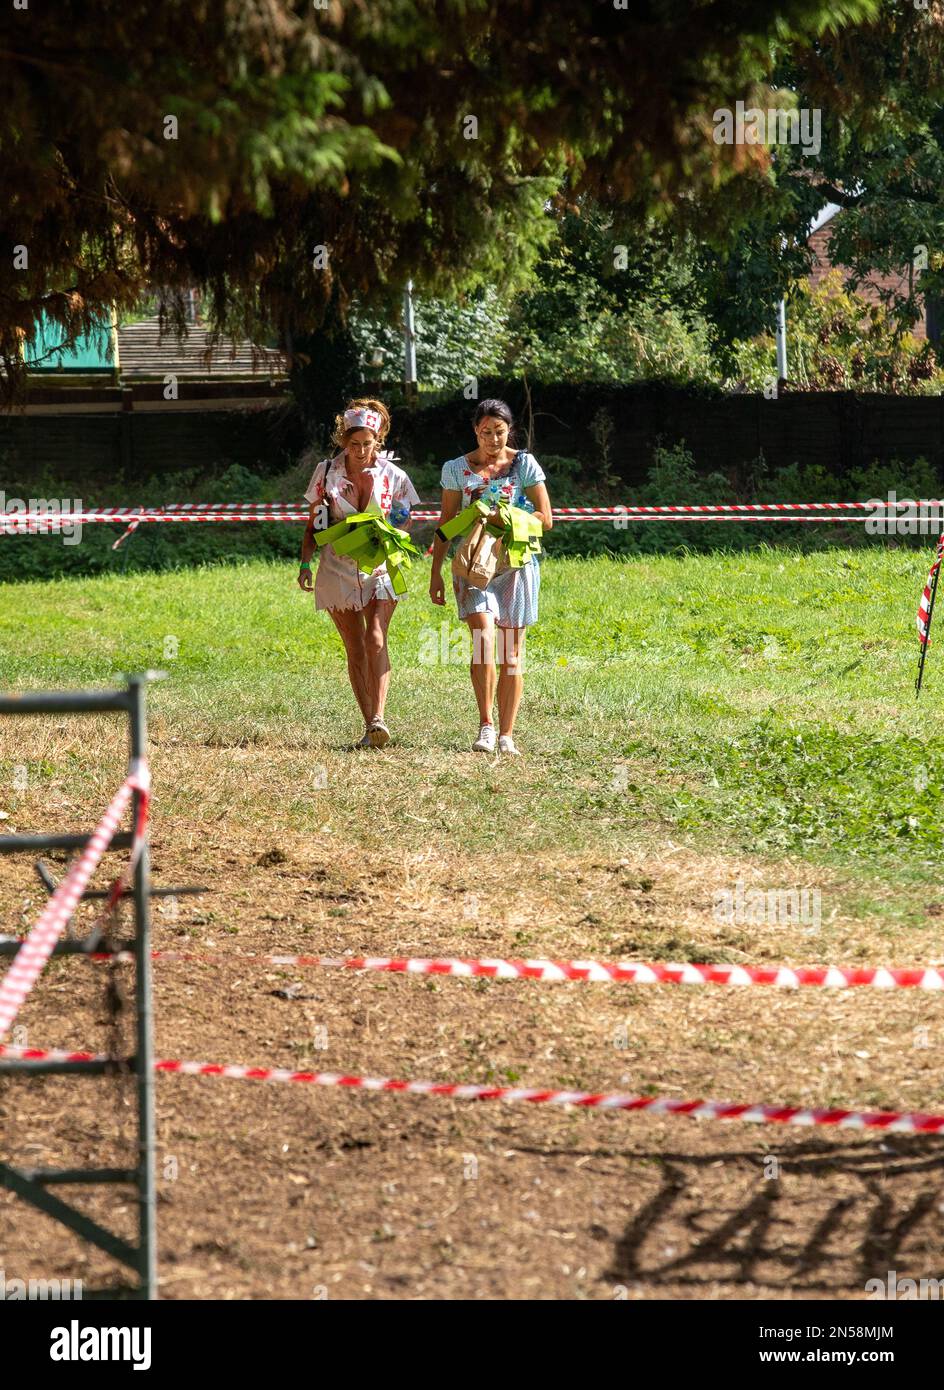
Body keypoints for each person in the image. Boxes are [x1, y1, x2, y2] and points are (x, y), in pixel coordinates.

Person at [430, 398, 552, 755]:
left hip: (516, 563)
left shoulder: (523, 464)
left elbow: (546, 518)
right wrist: (435, 572)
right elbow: (447, 522)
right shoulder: (456, 468)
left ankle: (507, 734)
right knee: (484, 639)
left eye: (499, 432)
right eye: (486, 432)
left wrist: (508, 517)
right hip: (474, 564)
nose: (493, 440)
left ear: (508, 431)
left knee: (511, 653)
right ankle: (486, 726)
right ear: (475, 431)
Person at [298, 398, 420, 749]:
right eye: (355, 445)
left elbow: (405, 519)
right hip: (337, 567)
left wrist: (389, 523)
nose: (363, 451)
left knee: (376, 638)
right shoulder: (326, 473)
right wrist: (306, 563)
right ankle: (370, 727)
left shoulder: (393, 475)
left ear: (378, 440)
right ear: (343, 441)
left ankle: (380, 716)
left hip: (380, 564)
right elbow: (314, 526)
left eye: (369, 444)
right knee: (355, 647)